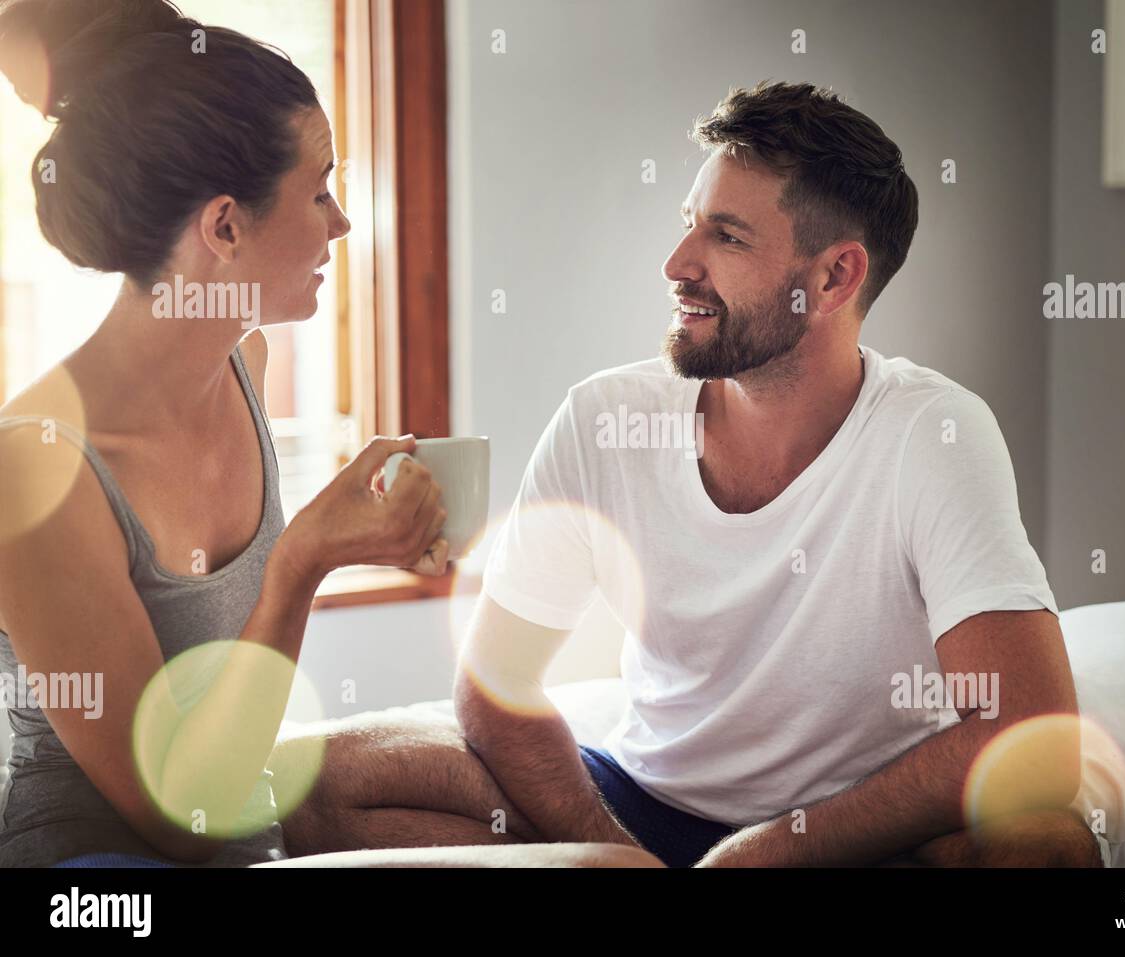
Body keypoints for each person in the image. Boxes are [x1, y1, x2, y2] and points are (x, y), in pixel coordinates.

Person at [284, 81, 1101, 868]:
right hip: (638, 804)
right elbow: (494, 687)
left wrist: (773, 849)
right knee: (318, 782)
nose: (679, 263)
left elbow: (1032, 730)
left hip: (850, 833)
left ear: (834, 277)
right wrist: (614, 852)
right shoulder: (604, 418)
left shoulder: (933, 433)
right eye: (689, 224)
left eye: (728, 236)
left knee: (1047, 847)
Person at [0, 0, 660, 870]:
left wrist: (365, 535)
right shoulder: (34, 466)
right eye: (319, 192)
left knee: (516, 801)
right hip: (107, 870)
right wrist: (307, 557)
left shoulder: (246, 361)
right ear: (225, 227)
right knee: (596, 869)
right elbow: (179, 816)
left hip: (235, 804)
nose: (342, 224)